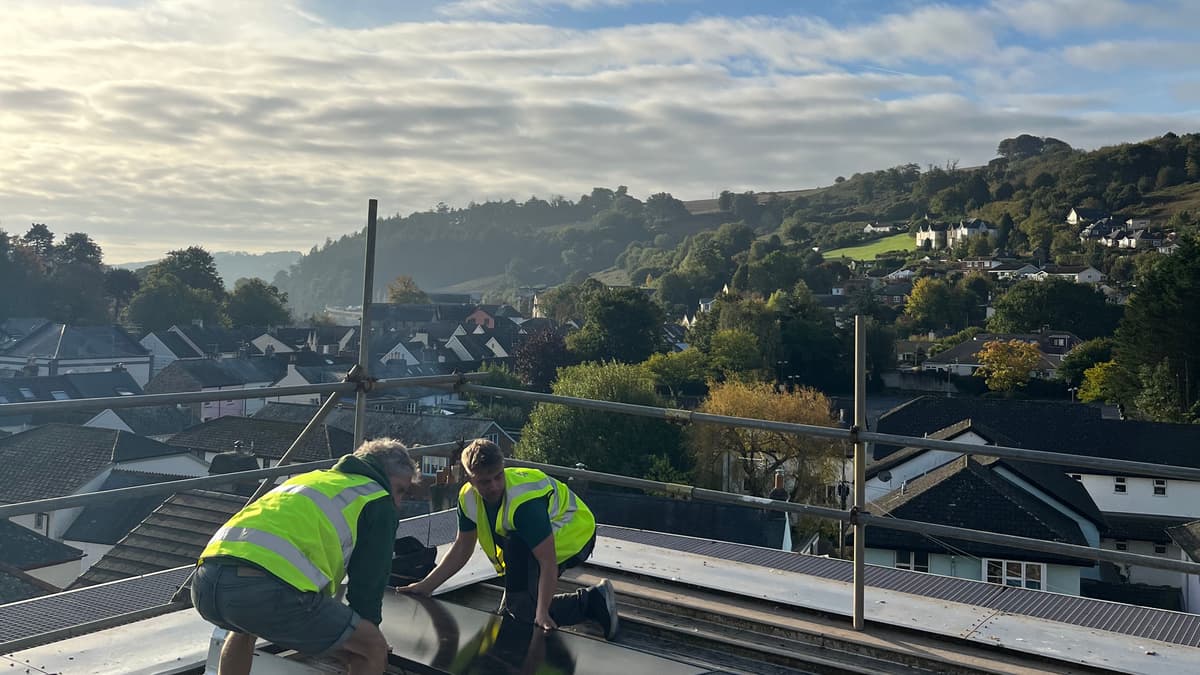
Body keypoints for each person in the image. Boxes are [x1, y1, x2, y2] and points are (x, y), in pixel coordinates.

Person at [191, 438, 418, 675]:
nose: (399, 502)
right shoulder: (378, 500)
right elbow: (368, 584)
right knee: (370, 646)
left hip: (206, 583)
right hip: (260, 592)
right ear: (383, 474)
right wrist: (367, 633)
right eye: (400, 490)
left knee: (245, 626)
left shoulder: (313, 479)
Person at [399, 439, 618, 640]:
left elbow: (547, 562)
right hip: (525, 542)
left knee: (523, 612)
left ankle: (591, 602)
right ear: (470, 480)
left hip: (573, 534)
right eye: (485, 481)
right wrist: (426, 586)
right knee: (511, 612)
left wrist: (541, 613)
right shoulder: (468, 499)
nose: (494, 486)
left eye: (498, 476)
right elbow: (462, 548)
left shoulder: (524, 504)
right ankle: (578, 603)